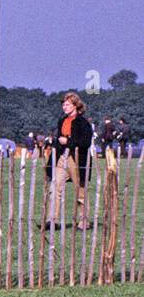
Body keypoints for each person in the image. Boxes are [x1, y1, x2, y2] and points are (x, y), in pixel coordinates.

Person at [46, 91, 93, 227]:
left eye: (67, 104)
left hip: (78, 158)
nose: (64, 107)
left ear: (75, 105)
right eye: (63, 104)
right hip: (63, 156)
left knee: (80, 191)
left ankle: (83, 221)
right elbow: (59, 139)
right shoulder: (62, 120)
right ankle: (52, 220)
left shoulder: (83, 123)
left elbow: (85, 142)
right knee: (55, 186)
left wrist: (68, 141)